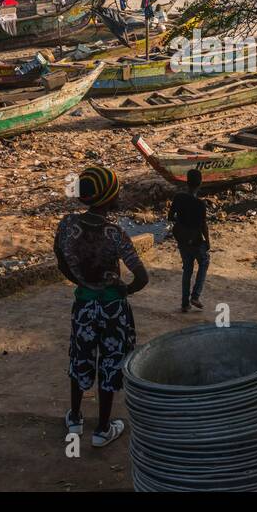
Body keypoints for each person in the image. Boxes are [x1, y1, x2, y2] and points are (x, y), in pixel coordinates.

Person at [54, 166, 148, 448]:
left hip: (84, 303)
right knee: (110, 362)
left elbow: (61, 261)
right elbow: (141, 277)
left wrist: (80, 281)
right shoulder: (115, 234)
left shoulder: (68, 225)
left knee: (80, 357)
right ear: (108, 198)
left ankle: (75, 417)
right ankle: (103, 429)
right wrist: (125, 290)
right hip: (112, 308)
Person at [168, 168, 210, 313]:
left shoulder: (178, 197)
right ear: (200, 184)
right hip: (196, 240)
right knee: (204, 262)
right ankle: (195, 295)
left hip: (182, 239)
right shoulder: (200, 204)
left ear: (187, 182)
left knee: (187, 269)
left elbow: (170, 217)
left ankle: (185, 303)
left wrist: (182, 221)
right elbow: (203, 225)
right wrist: (208, 241)